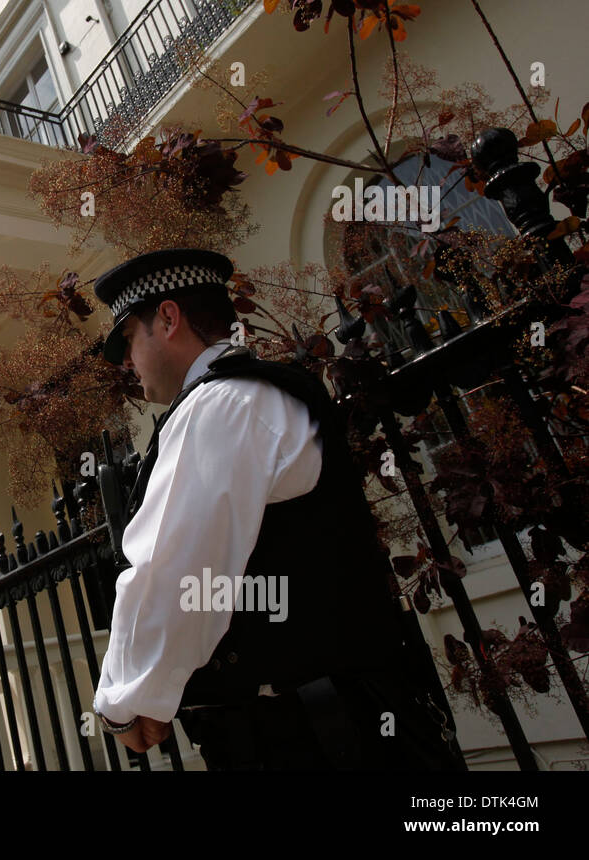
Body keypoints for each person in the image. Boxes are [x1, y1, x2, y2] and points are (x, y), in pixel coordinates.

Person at [88, 248, 464, 770]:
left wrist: (126, 703)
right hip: (342, 711)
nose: (127, 361)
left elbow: (176, 569)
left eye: (128, 339)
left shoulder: (220, 406)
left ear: (168, 318)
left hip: (311, 729)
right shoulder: (252, 394)